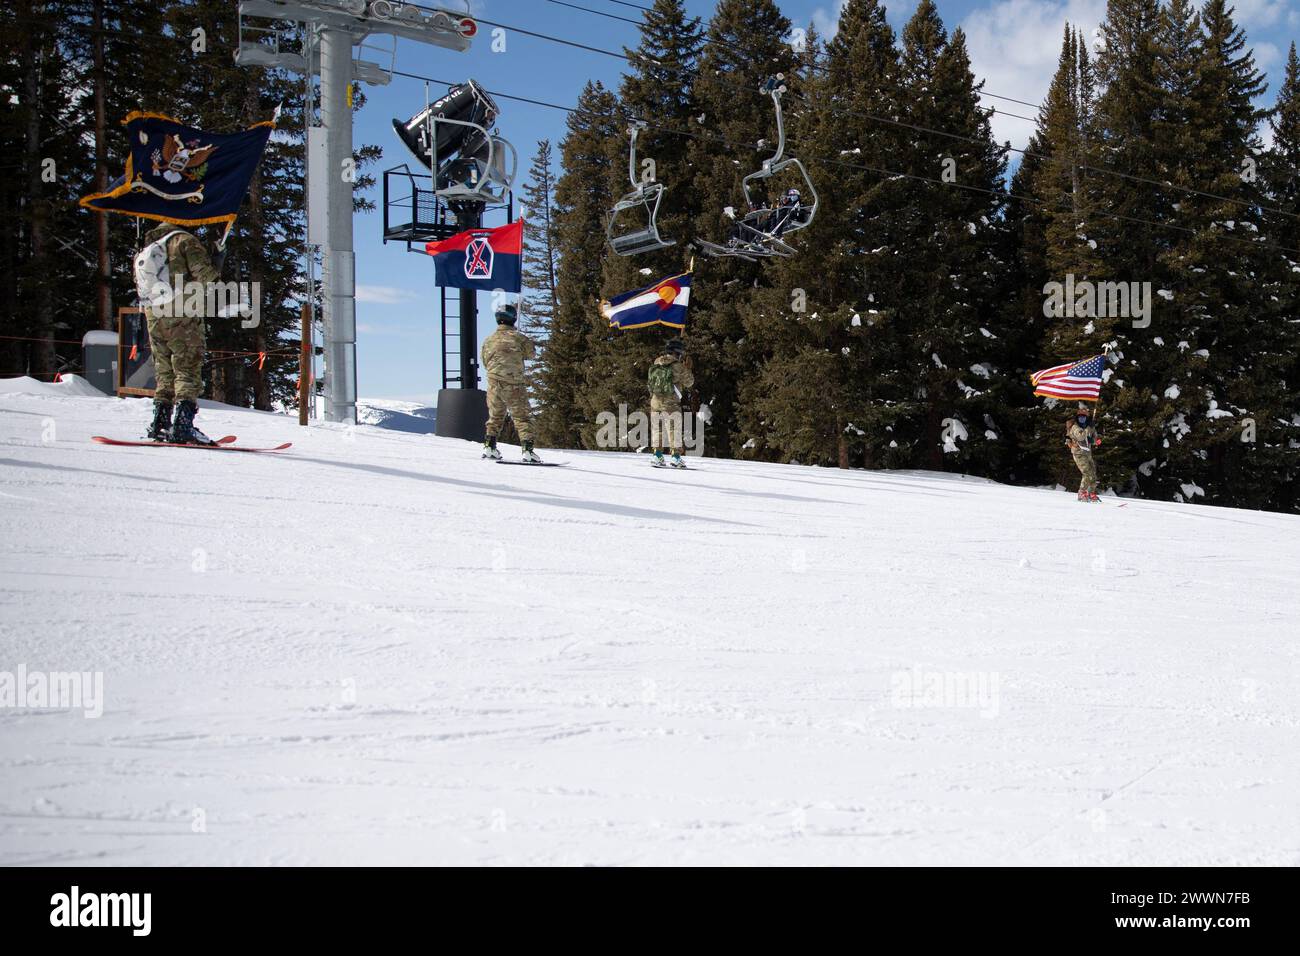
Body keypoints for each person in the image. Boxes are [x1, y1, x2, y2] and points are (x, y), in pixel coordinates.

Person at [139, 223, 220, 445]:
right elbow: (206, 275)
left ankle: (159, 423)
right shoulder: (184, 240)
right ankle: (183, 425)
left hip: (153, 313)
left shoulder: (150, 244)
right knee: (187, 366)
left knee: (163, 368)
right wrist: (217, 259)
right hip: (181, 310)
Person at [480, 303, 540, 463]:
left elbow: (485, 361)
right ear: (513, 318)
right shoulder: (519, 338)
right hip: (513, 384)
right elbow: (532, 354)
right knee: (522, 417)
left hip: (494, 383)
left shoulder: (488, 340)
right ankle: (527, 450)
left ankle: (489, 446)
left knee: (495, 416)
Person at [647, 337, 694, 468]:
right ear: (677, 352)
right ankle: (676, 457)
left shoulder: (657, 361)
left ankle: (657, 456)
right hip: (671, 404)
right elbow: (690, 382)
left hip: (655, 402)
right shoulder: (678, 366)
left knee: (657, 429)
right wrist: (687, 368)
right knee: (674, 430)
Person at [1066, 403, 1102, 501]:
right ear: (1077, 418)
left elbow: (1094, 439)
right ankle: (1081, 493)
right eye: (1080, 417)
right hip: (1078, 453)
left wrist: (1095, 440)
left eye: (1084, 417)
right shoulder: (1075, 427)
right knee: (1087, 473)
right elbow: (1081, 436)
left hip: (1087, 453)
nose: (1082, 419)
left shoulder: (1089, 426)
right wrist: (1088, 428)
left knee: (1093, 473)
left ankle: (1091, 493)